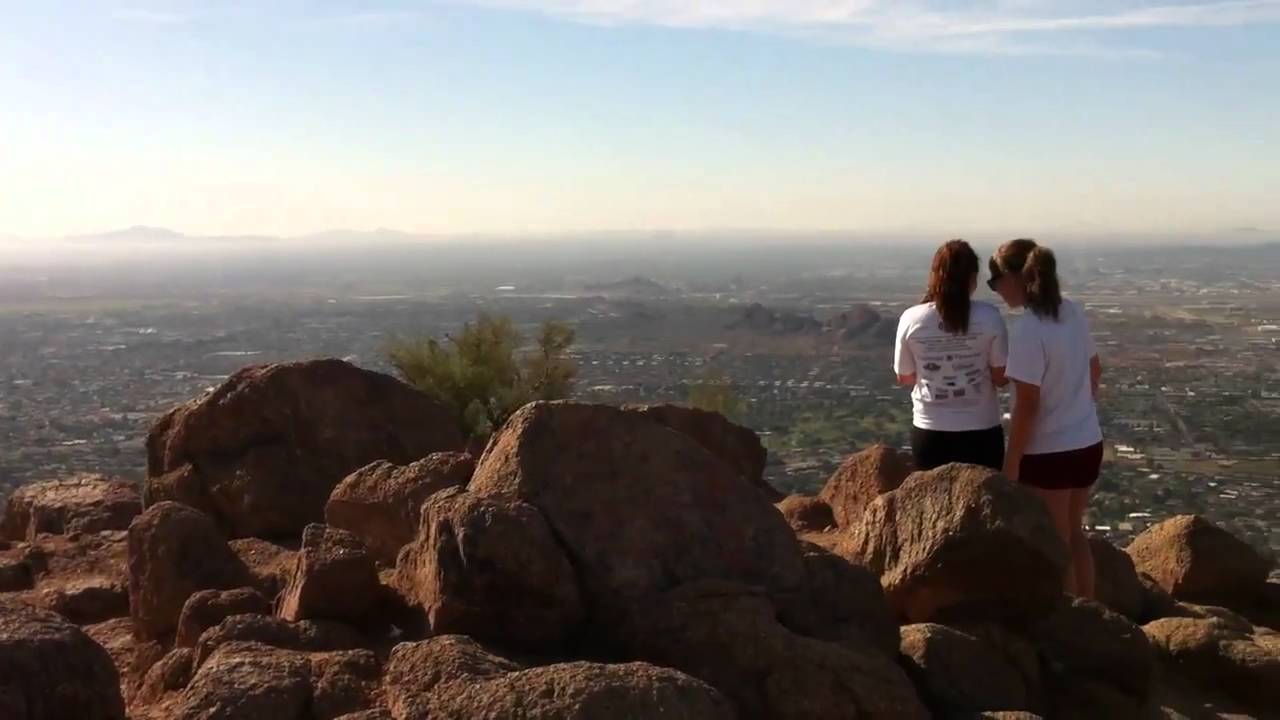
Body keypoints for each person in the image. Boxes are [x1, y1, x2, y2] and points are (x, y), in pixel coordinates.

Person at [988, 238, 1103, 599]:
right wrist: (1075, 411)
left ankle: (1071, 626)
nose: (995, 290)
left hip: (1050, 452)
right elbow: (1094, 370)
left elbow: (1027, 405)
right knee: (1073, 530)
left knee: (1056, 542)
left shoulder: (1028, 332)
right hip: (1087, 442)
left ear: (1015, 278)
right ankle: (1094, 616)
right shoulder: (1072, 312)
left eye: (996, 281)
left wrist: (1012, 465)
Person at [894, 239, 1009, 472]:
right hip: (982, 432)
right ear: (972, 278)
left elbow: (904, 378)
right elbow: (1001, 377)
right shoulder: (989, 317)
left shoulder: (912, 319)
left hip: (930, 431)